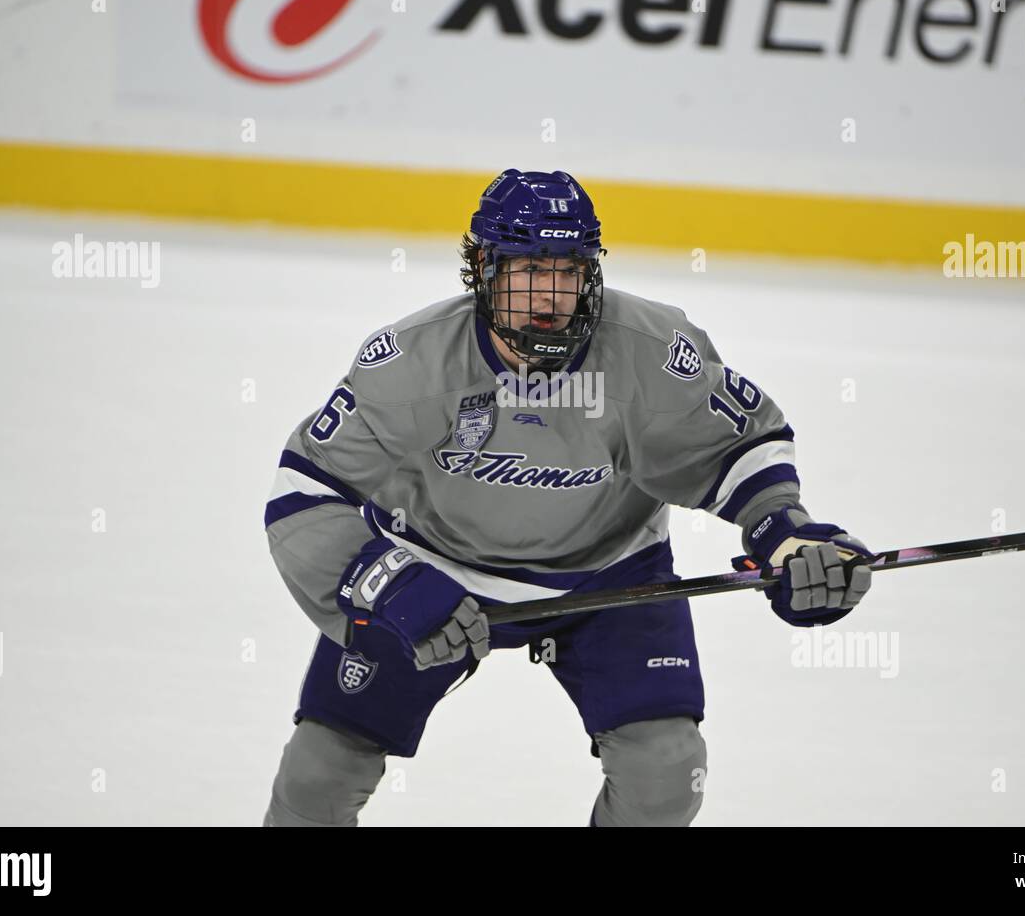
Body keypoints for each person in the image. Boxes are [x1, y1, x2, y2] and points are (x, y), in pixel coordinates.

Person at [262, 168, 872, 826]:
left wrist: (785, 532)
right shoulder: (411, 361)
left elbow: (737, 449)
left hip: (610, 576)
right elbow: (305, 489)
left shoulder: (651, 351)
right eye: (528, 271)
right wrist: (385, 580)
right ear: (483, 271)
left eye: (568, 270)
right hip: (430, 572)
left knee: (666, 770)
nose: (550, 295)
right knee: (320, 770)